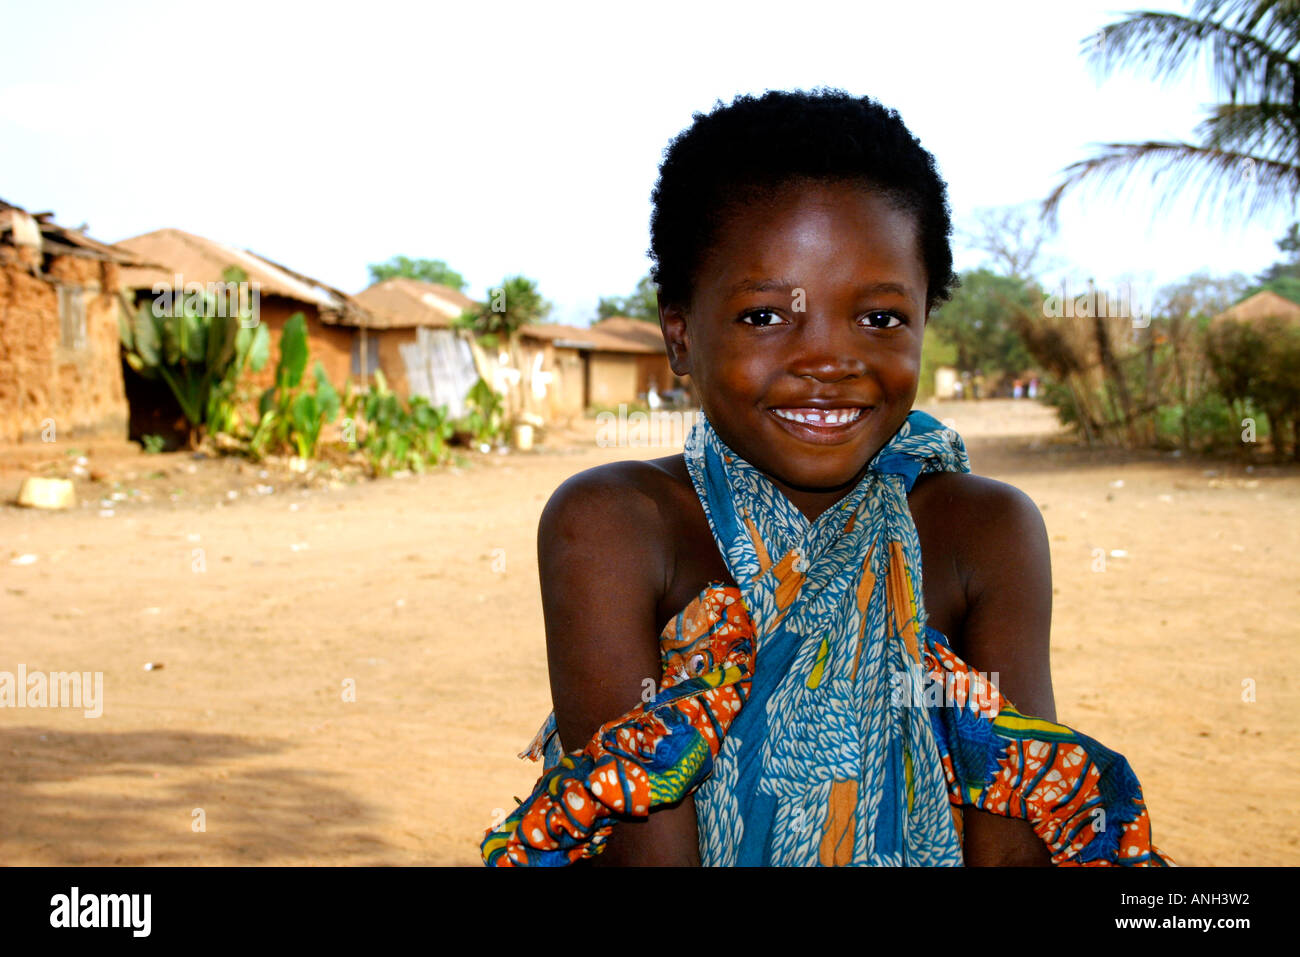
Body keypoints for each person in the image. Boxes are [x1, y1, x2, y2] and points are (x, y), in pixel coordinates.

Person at [481, 89, 1169, 867]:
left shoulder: (986, 532)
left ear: (923, 325)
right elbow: (641, 844)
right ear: (679, 335)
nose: (828, 362)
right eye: (765, 317)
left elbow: (1014, 825)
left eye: (878, 318)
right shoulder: (615, 524)